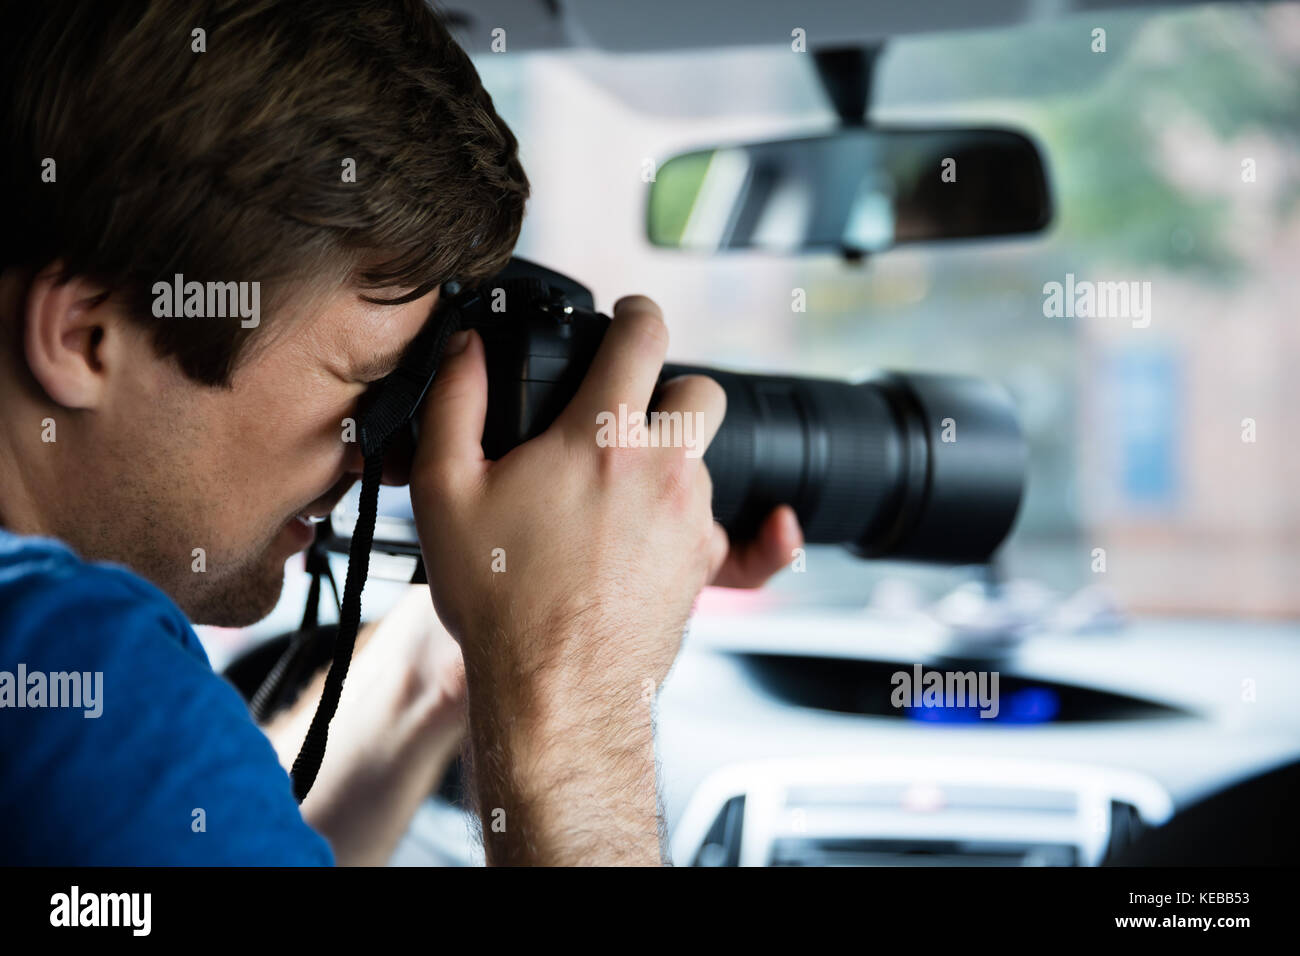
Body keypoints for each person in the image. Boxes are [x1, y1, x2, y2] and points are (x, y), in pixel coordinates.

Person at [0, 0, 801, 865]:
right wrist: (567, 677)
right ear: (86, 337)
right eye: (368, 381)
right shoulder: (79, 667)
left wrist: (467, 646)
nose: (382, 456)